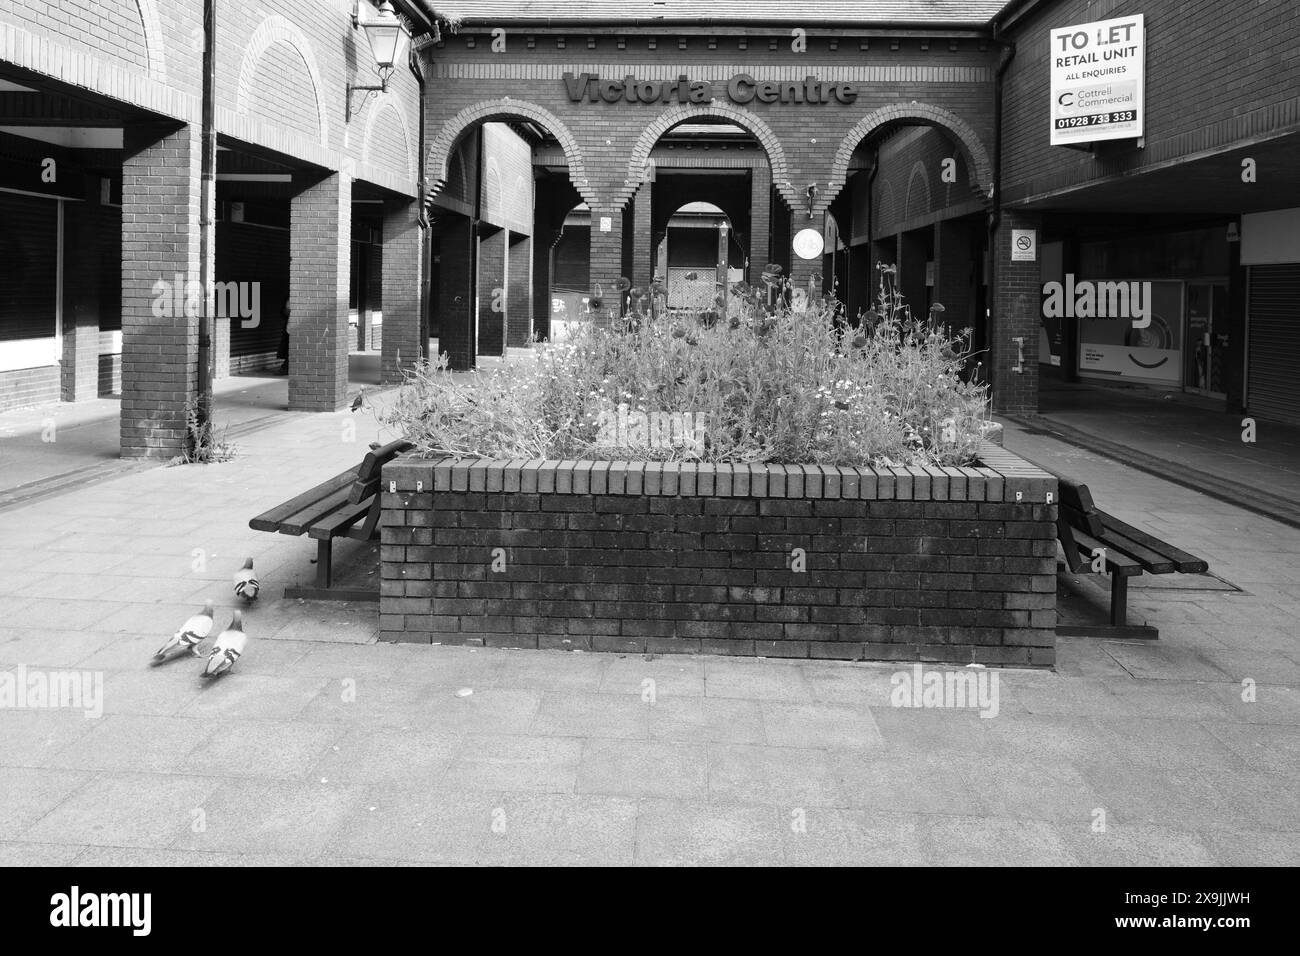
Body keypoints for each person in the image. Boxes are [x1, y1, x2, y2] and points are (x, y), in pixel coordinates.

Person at [276, 298, 291, 375]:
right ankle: (285, 368)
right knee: (289, 349)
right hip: (290, 328)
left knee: (291, 350)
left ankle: (285, 368)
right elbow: (284, 313)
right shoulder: (290, 300)